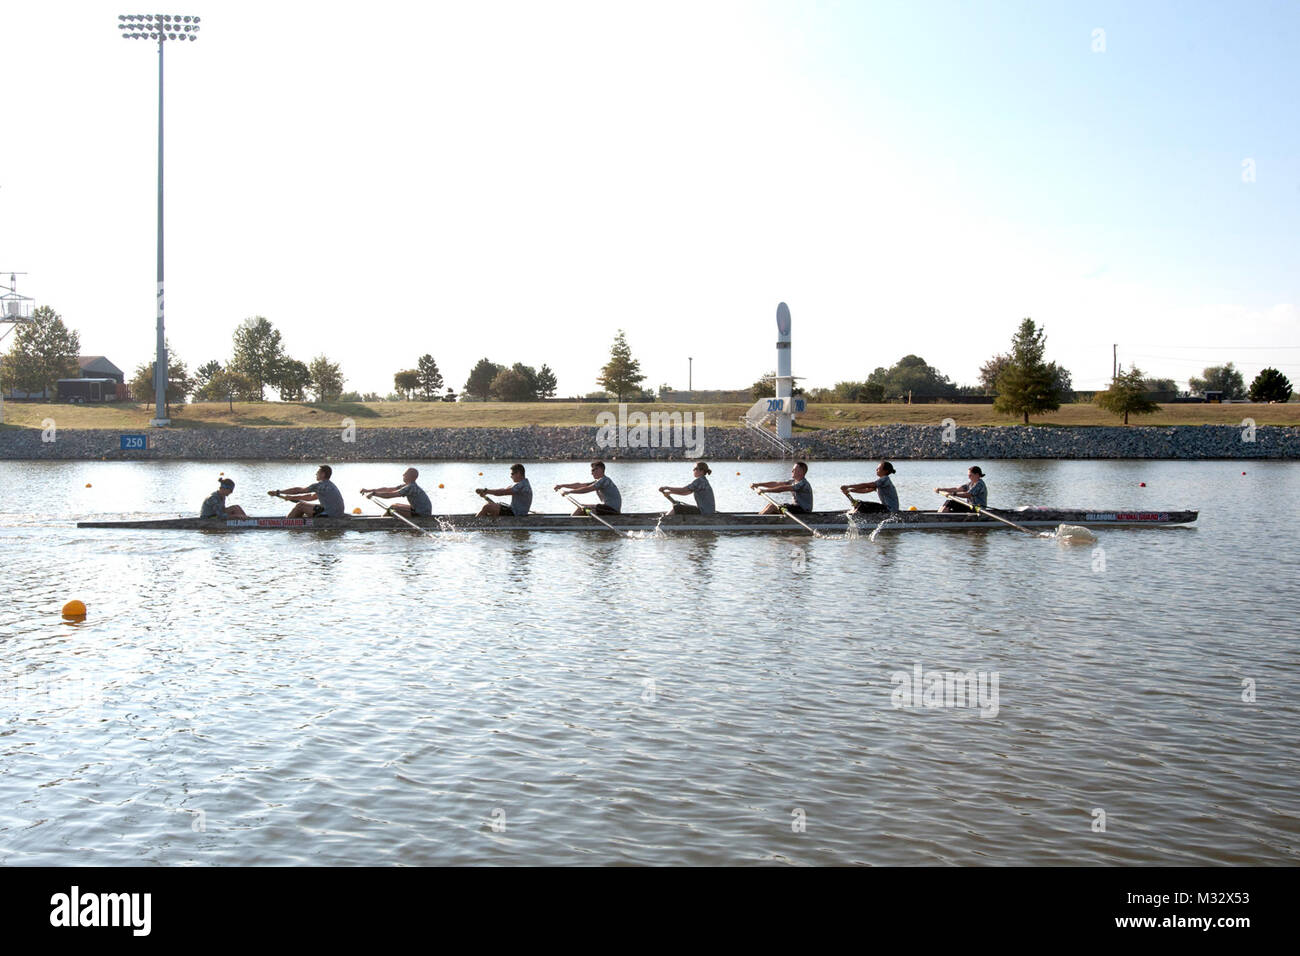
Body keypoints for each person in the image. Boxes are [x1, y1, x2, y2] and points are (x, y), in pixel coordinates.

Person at [271, 465, 347, 518]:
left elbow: (299, 490)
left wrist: (279, 492)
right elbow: (311, 497)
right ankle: (298, 521)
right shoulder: (330, 485)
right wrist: (292, 498)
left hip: (330, 514)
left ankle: (287, 523)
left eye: (318, 472)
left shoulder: (319, 486)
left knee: (300, 505)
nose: (316, 474)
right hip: (338, 513)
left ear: (323, 474)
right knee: (305, 504)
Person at [554, 460, 621, 515]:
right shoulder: (598, 481)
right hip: (605, 508)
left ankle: (569, 525)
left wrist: (569, 492)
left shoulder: (604, 480)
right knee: (584, 510)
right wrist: (562, 485)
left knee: (581, 508)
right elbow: (580, 485)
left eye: (594, 470)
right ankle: (577, 524)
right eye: (592, 470)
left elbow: (587, 489)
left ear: (601, 469)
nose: (592, 473)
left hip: (612, 510)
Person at [361, 467, 432, 518]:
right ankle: (385, 519)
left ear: (410, 476)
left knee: (393, 508)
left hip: (422, 514)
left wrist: (374, 494)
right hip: (419, 510)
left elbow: (390, 495)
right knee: (396, 505)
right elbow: (388, 490)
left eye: (405, 473)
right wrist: (368, 490)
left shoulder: (411, 487)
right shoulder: (407, 485)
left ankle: (382, 521)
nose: (403, 475)